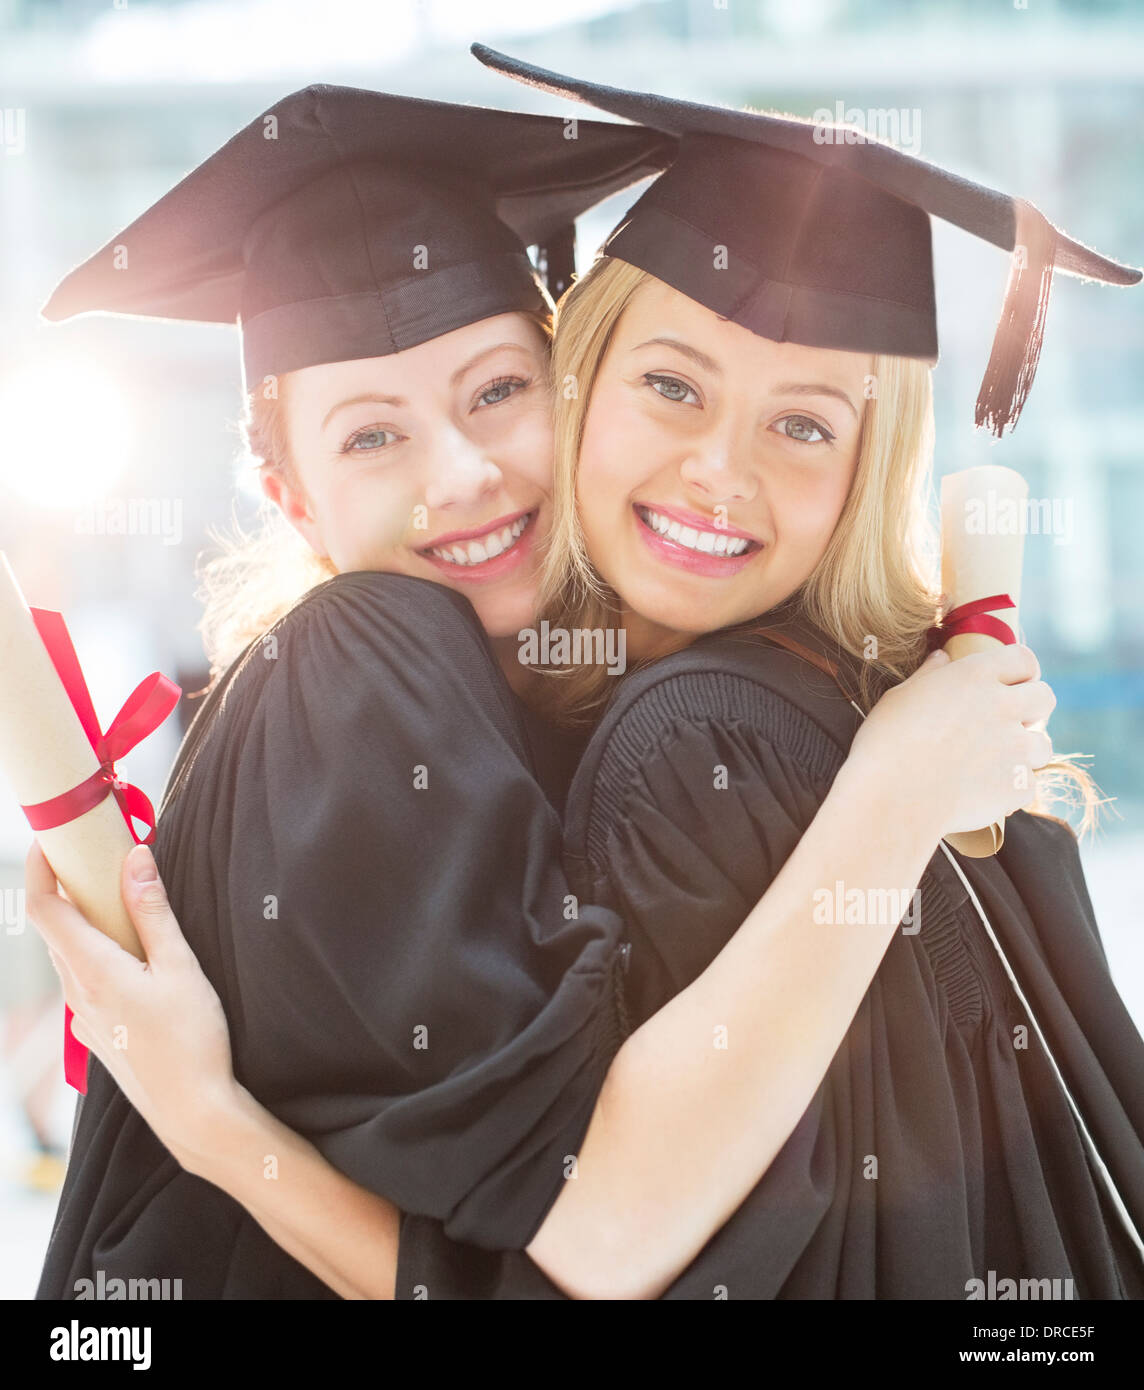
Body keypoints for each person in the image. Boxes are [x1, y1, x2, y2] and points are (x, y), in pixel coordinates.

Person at [28, 65, 1116, 1302]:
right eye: (370, 434)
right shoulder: (356, 672)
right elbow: (578, 1250)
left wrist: (221, 1127)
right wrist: (206, 1127)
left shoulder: (678, 701)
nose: (465, 474)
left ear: (562, 380)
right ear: (290, 498)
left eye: (496, 391)